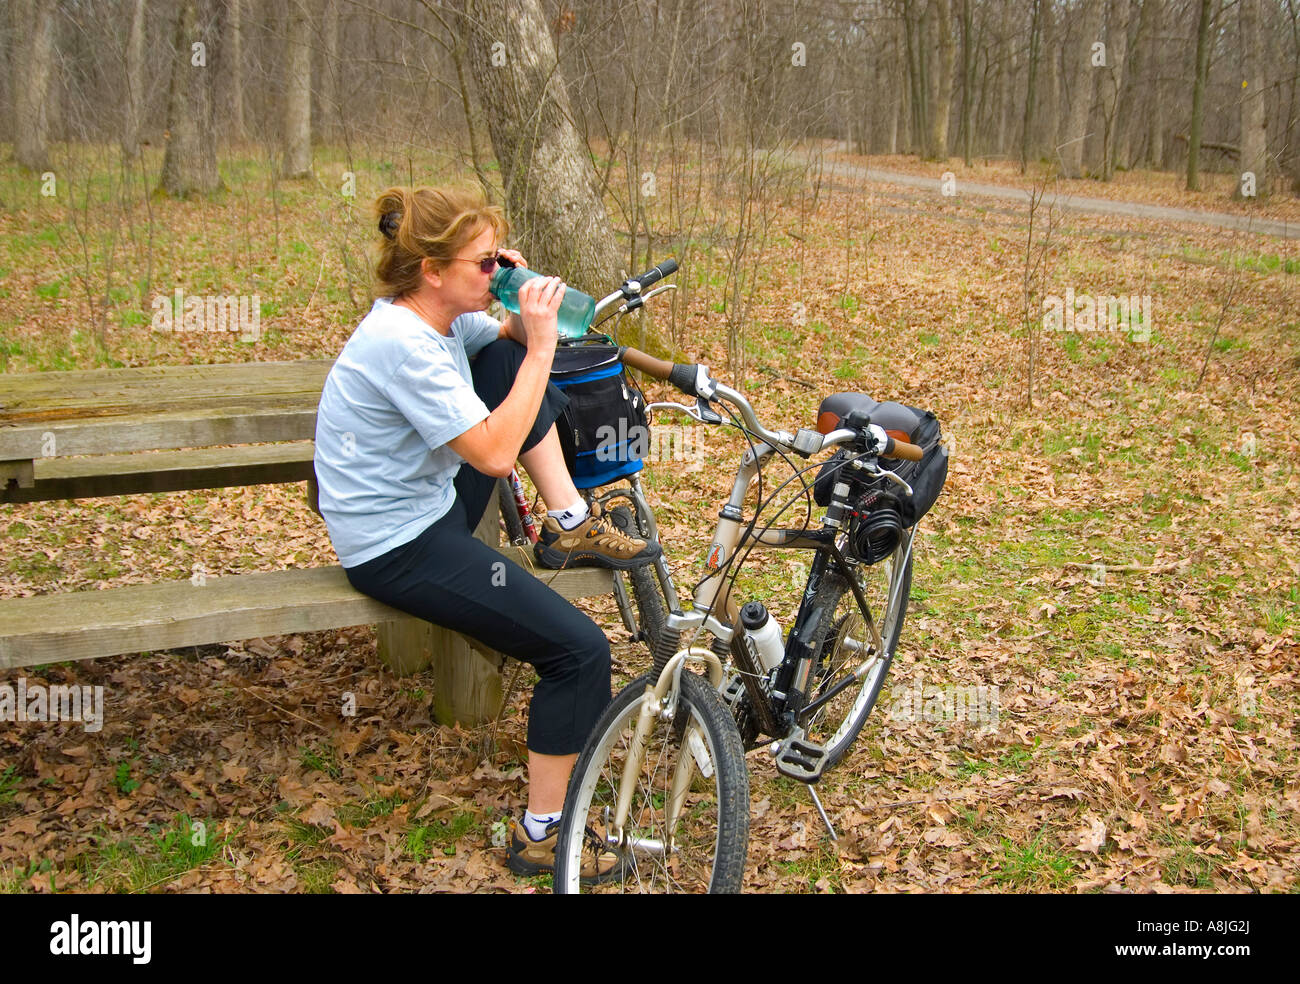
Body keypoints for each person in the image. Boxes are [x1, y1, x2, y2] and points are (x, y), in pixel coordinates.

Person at [313, 185, 659, 880]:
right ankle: (543, 835)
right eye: (483, 262)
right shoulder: (401, 342)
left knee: (505, 361)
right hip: (392, 543)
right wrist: (537, 348)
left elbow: (503, 343)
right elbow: (498, 456)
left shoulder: (439, 317)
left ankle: (566, 524)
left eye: (498, 257)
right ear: (433, 271)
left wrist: (514, 298)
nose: (494, 271)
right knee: (579, 651)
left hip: (424, 502)